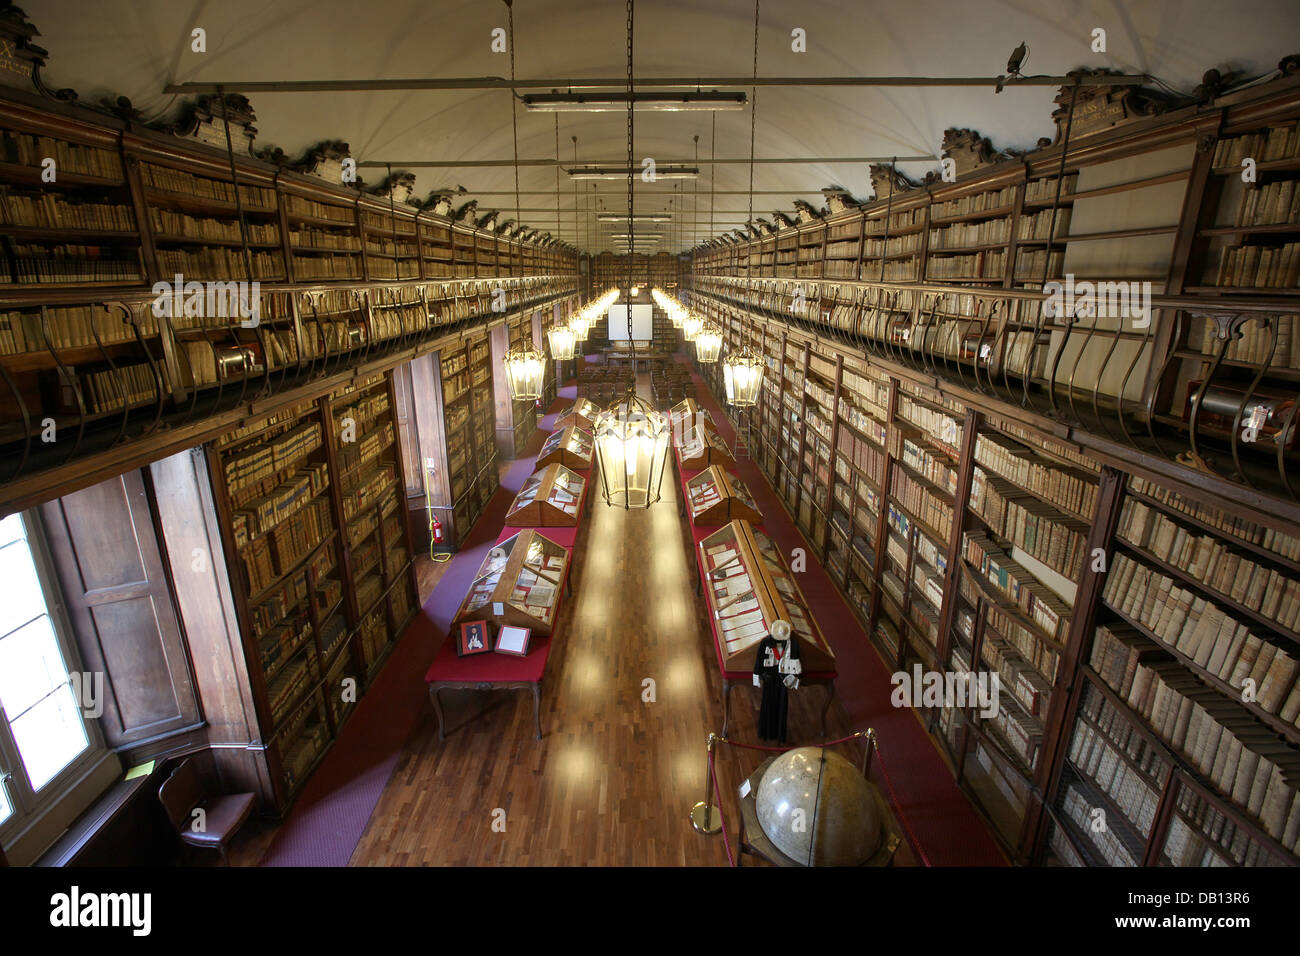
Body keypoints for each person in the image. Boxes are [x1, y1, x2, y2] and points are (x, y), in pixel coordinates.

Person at [752, 619, 801, 743]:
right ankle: (766, 732)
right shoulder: (765, 642)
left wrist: (793, 679)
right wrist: (758, 676)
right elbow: (759, 660)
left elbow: (796, 661)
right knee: (767, 704)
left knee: (781, 706)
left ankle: (780, 734)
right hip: (769, 678)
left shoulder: (792, 644)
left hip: (783, 680)